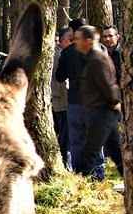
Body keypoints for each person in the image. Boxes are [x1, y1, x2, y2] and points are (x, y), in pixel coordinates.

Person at [55, 17, 105, 177]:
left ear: (73, 31)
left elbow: (59, 76)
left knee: (76, 141)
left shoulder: (67, 52)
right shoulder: (100, 49)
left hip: (75, 102)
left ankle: (80, 173)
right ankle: (98, 172)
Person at [73, 25, 123, 179]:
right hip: (101, 111)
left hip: (103, 112)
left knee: (89, 153)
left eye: (78, 39)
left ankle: (79, 189)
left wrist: (115, 102)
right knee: (116, 153)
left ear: (88, 41)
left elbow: (107, 85)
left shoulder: (97, 59)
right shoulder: (92, 58)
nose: (76, 42)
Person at [51, 28, 70, 169]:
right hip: (62, 101)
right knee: (65, 135)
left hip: (57, 101)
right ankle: (66, 164)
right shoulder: (58, 55)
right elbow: (60, 82)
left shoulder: (58, 54)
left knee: (62, 134)